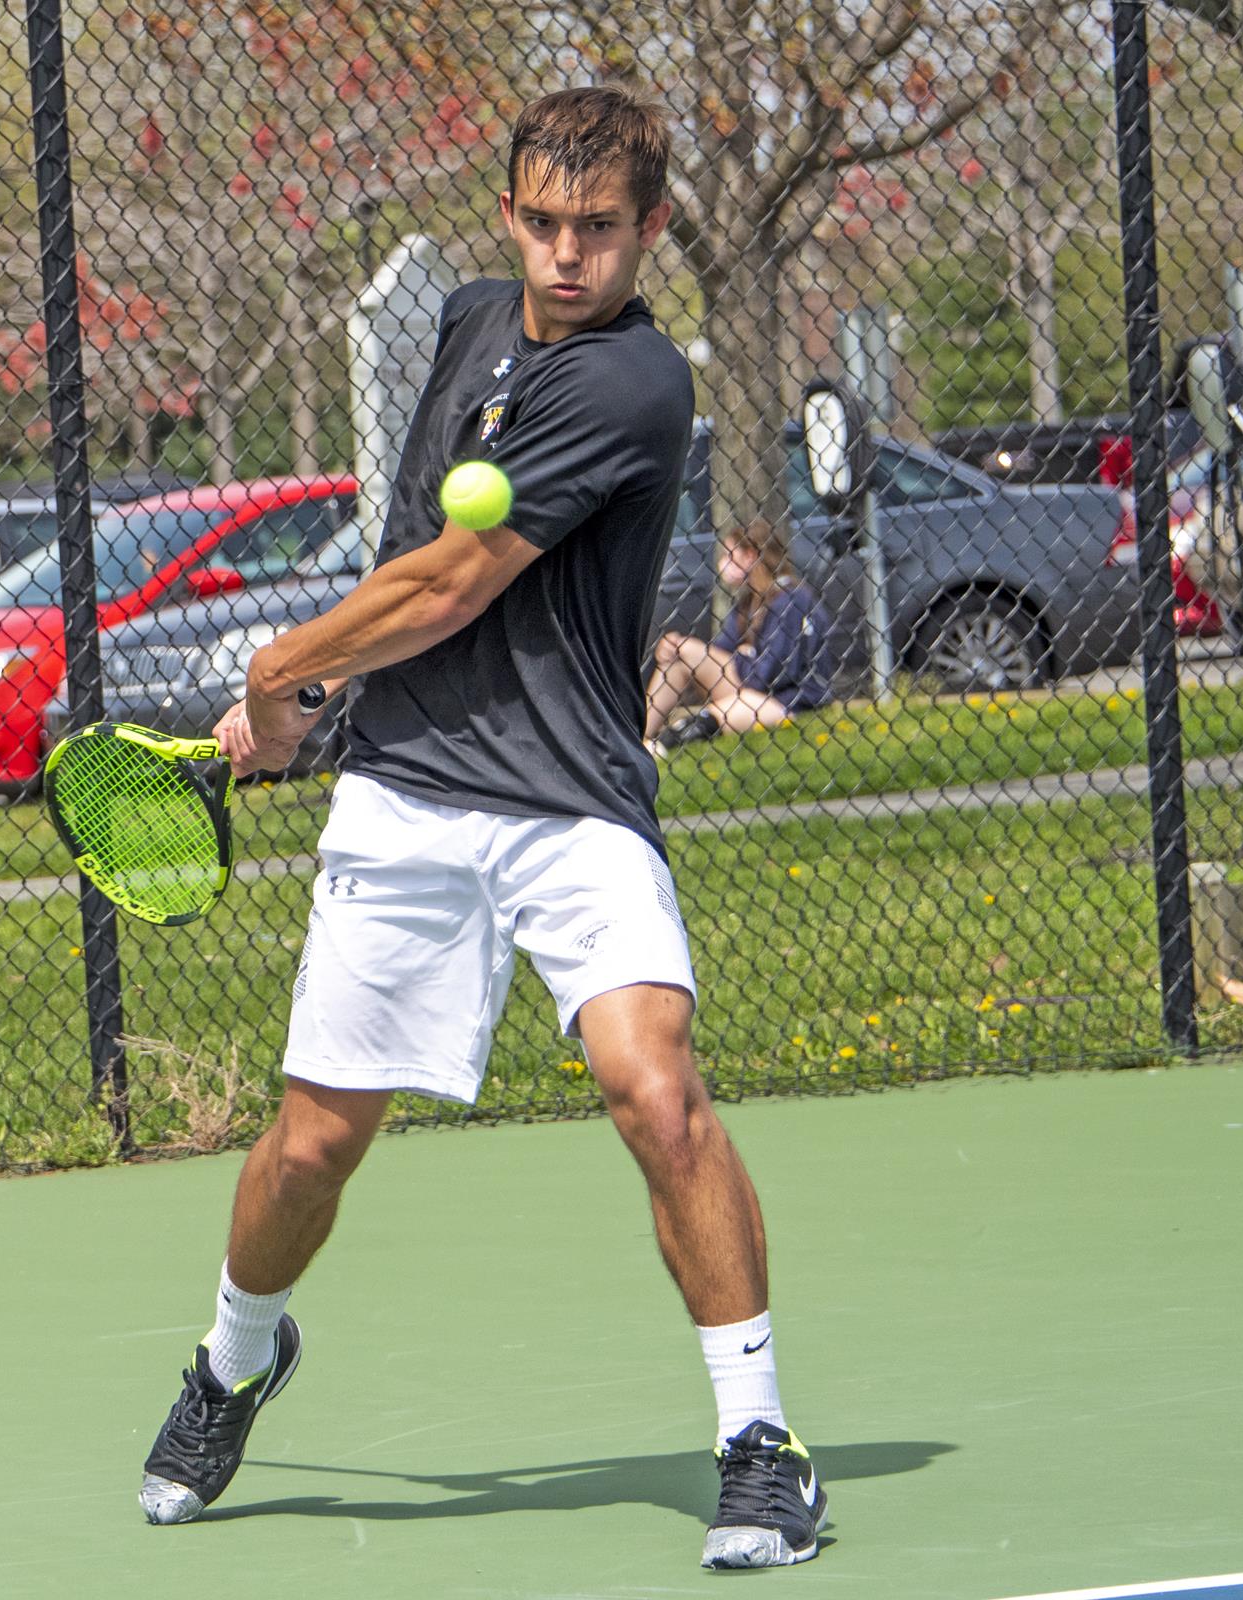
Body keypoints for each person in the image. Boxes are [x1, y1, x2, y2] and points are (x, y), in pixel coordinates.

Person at [139, 86, 828, 1571]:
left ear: (652, 231)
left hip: (574, 802)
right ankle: (233, 1361)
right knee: (313, 1149)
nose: (567, 255)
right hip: (409, 796)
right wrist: (324, 720)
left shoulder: (636, 386)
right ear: (508, 212)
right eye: (542, 222)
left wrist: (274, 675)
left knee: (657, 1091)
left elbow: (451, 582)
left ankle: (760, 1443)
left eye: (600, 229)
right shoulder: (465, 323)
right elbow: (411, 579)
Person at [644, 519, 834, 752]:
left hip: (785, 702)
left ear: (750, 556)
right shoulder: (749, 601)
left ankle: (662, 746)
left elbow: (769, 676)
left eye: (729, 555)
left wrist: (743, 656)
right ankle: (636, 734)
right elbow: (722, 651)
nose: (723, 563)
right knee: (682, 652)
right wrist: (677, 646)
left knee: (723, 712)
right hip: (752, 690)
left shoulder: (789, 599)